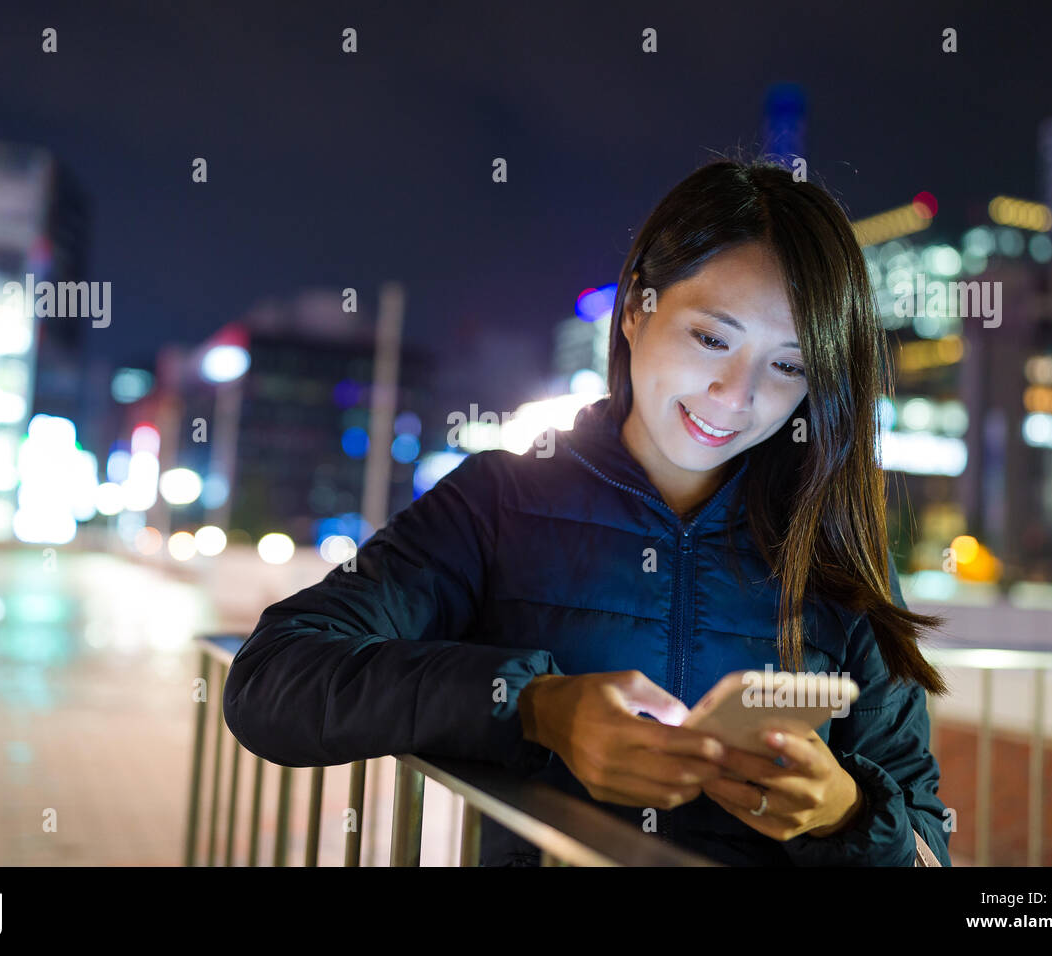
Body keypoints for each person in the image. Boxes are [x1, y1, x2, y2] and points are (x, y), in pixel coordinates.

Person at [222, 156, 954, 867]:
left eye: (788, 364)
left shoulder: (831, 550)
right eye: (711, 338)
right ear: (638, 308)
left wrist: (846, 815)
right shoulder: (501, 501)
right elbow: (273, 680)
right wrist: (536, 707)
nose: (737, 394)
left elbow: (927, 844)